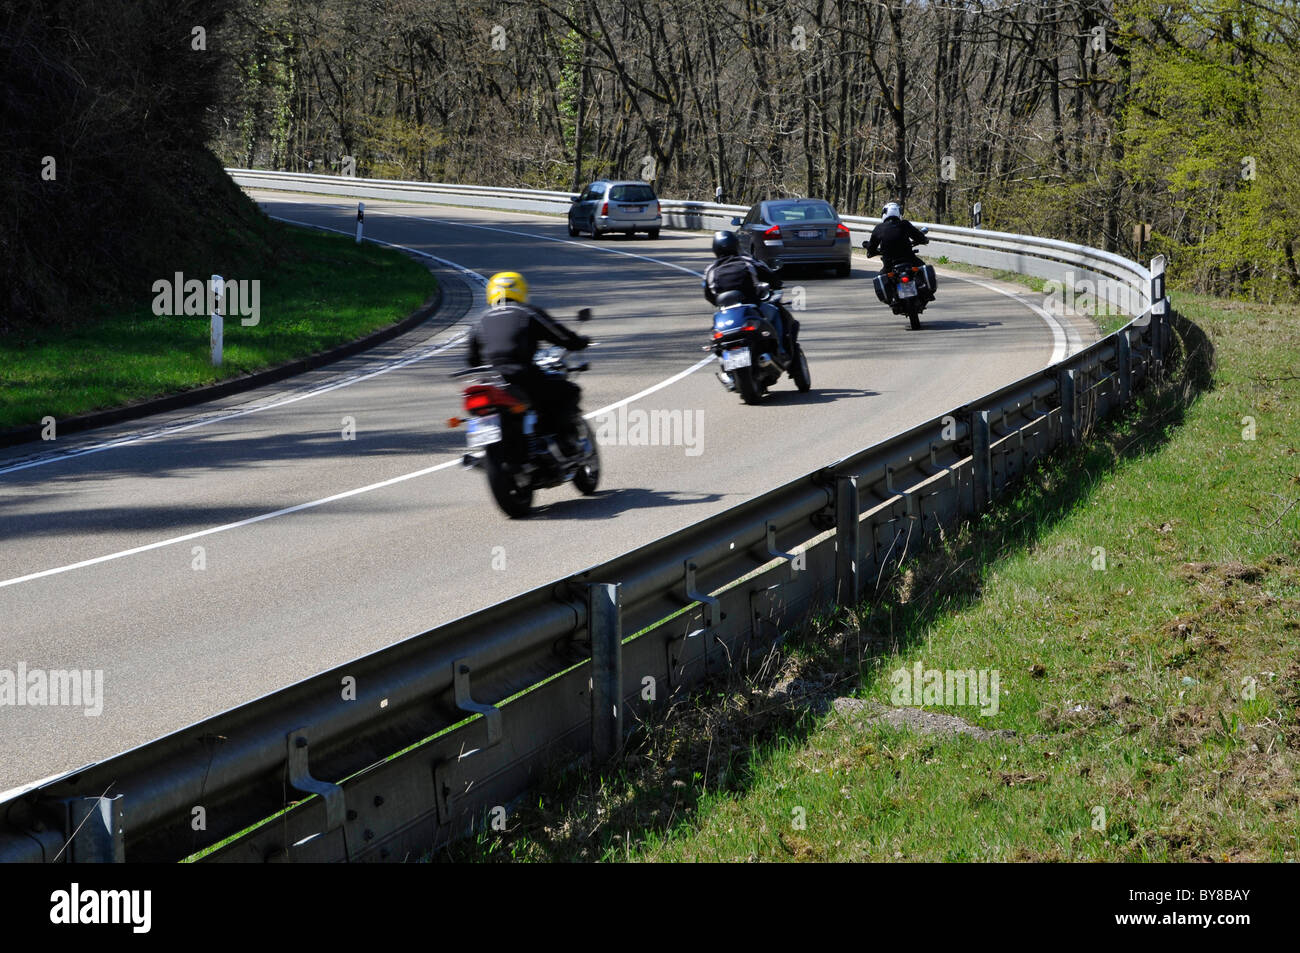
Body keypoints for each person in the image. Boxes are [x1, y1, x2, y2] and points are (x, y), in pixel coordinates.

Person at [467, 271, 589, 456]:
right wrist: (578, 342)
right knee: (569, 392)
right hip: (521, 375)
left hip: (491, 382)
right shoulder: (527, 313)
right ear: (521, 290)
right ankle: (565, 443)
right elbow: (560, 336)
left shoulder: (480, 320)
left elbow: (472, 360)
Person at [702, 231, 796, 356]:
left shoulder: (710, 270)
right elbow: (769, 275)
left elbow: (709, 295)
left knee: (716, 337)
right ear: (736, 245)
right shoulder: (747, 261)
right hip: (751, 308)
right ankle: (781, 349)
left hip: (726, 315)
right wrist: (776, 283)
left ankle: (725, 365)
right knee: (776, 312)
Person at [867, 202, 933, 301]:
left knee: (881, 277)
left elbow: (872, 247)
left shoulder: (879, 228)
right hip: (909, 258)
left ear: (884, 213)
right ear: (899, 213)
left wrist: (871, 251)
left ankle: (891, 298)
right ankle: (926, 292)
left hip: (889, 263)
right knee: (922, 268)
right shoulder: (904, 224)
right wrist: (924, 240)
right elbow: (918, 236)